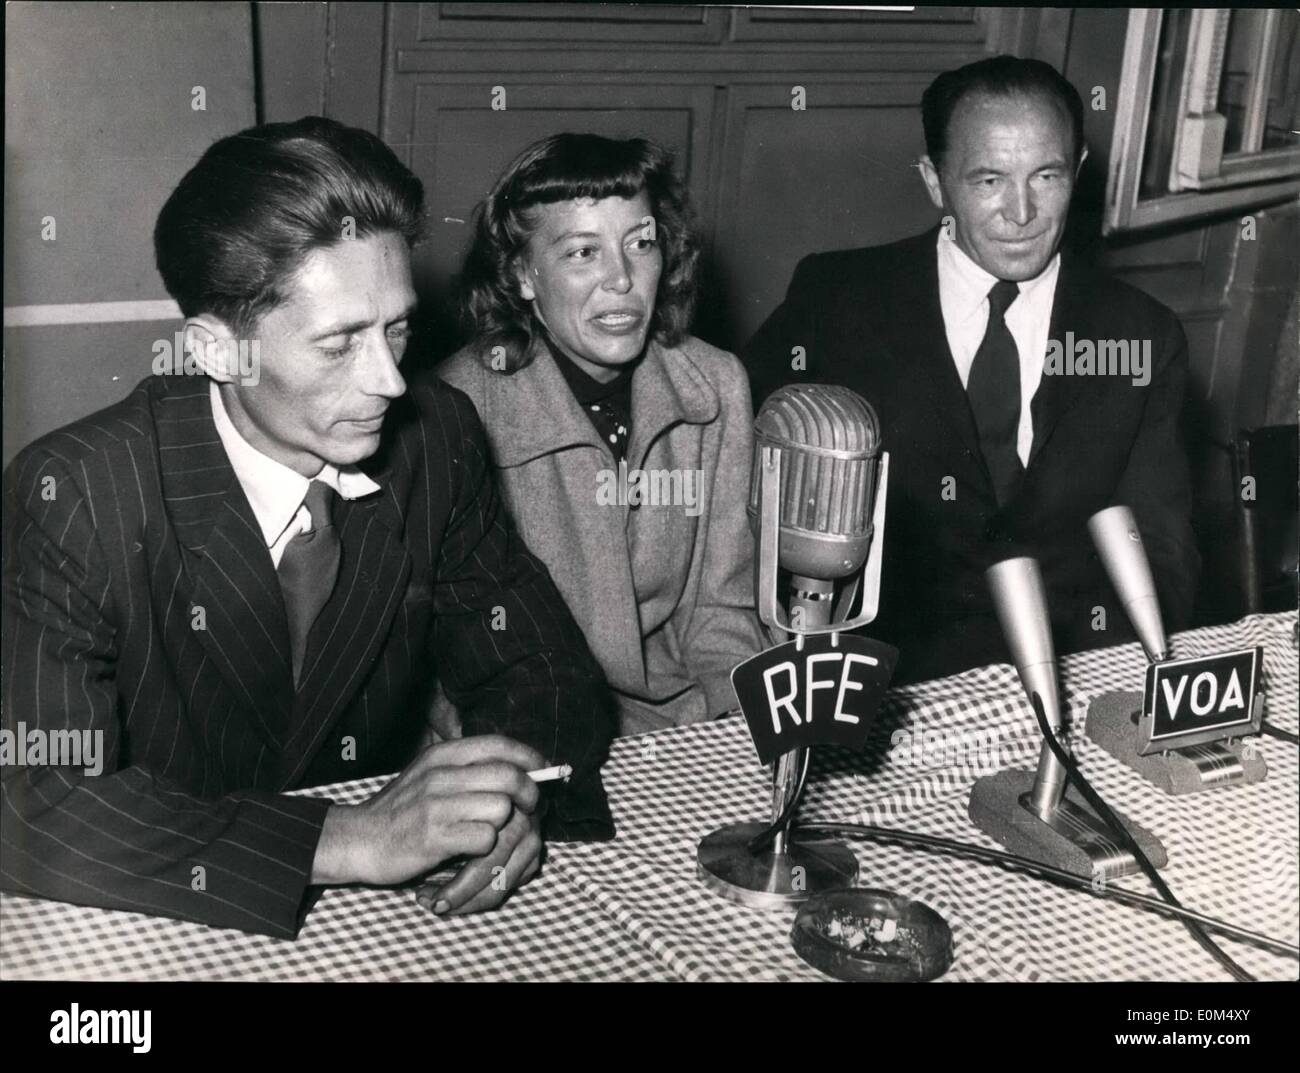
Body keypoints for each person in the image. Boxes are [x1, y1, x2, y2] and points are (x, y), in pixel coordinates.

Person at [0, 117, 616, 938]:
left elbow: (541, 665)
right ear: (216, 351)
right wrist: (353, 837)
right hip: (154, 914)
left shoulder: (437, 436)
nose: (390, 379)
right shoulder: (77, 492)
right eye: (339, 344)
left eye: (397, 326)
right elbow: (33, 798)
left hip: (384, 921)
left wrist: (507, 796)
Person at [742, 56, 1199, 683]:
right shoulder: (837, 301)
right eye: (989, 180)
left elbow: (1163, 553)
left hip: (1075, 670)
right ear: (935, 182)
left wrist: (1097, 687)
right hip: (881, 681)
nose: (1022, 212)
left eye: (1047, 176)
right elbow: (744, 502)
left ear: (1078, 171)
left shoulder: (1142, 333)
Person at [438, 133, 767, 735]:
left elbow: (722, 612)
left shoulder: (715, 384)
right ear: (523, 273)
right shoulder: (457, 406)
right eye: (583, 252)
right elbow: (446, 655)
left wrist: (739, 729)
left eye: (641, 244)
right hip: (523, 723)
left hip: (678, 715)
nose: (621, 279)